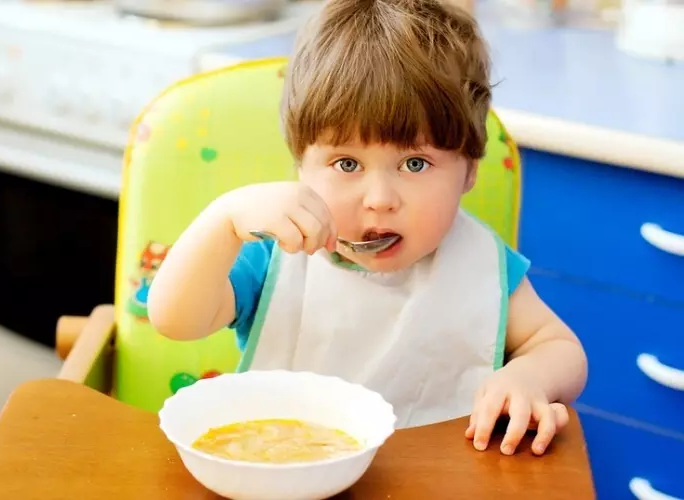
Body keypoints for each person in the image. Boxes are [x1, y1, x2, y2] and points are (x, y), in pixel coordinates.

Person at [148, 0, 587, 456]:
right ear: (301, 167)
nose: (379, 198)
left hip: (434, 481)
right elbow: (175, 319)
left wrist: (528, 376)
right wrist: (222, 222)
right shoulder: (276, 256)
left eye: (415, 163)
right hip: (286, 476)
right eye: (347, 163)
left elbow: (558, 346)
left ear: (469, 172)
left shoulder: (481, 266)